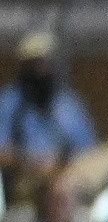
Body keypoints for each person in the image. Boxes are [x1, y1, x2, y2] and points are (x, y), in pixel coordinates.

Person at [0, 31, 98, 186]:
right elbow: (3, 151)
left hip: (66, 178)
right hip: (25, 178)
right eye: (34, 64)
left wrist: (59, 165)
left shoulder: (68, 104)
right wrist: (30, 163)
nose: (40, 70)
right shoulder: (9, 101)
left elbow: (88, 150)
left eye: (44, 63)